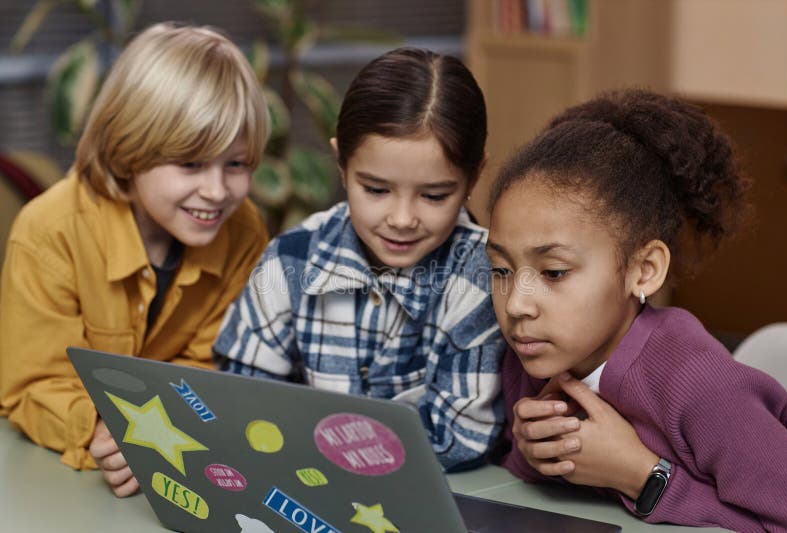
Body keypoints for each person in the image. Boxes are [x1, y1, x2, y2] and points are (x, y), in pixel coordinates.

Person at [487, 89, 787, 531]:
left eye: (554, 272)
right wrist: (530, 452)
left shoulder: (704, 390)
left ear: (644, 270)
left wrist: (644, 478)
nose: (516, 304)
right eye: (500, 271)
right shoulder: (534, 355)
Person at [0, 23, 270, 497]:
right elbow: (33, 386)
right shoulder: (50, 230)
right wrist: (111, 432)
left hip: (178, 465)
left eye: (238, 163)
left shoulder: (243, 228)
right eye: (190, 163)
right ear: (128, 151)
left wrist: (165, 429)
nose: (217, 190)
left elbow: (214, 364)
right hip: (56, 480)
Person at [214, 47, 506, 471]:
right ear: (342, 164)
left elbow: (460, 437)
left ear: (474, 177)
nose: (402, 219)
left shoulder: (482, 280)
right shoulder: (289, 261)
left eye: (434, 196)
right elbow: (242, 397)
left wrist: (305, 440)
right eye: (375, 190)